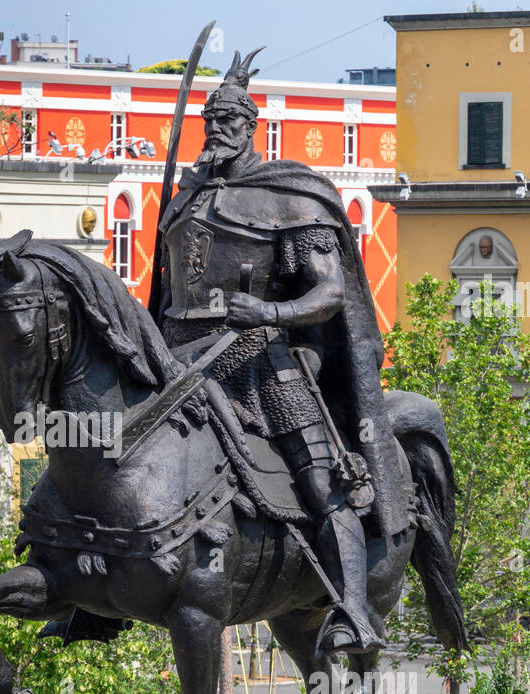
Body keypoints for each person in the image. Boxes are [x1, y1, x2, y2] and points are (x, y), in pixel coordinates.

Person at [155, 48, 407, 660]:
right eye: (211, 121)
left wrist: (267, 313)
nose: (218, 130)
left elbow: (329, 292)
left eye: (231, 121)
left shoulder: (287, 196)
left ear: (253, 127)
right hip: (179, 359)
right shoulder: (185, 198)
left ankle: (352, 609)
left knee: (322, 482)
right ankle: (95, 602)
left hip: (261, 360)